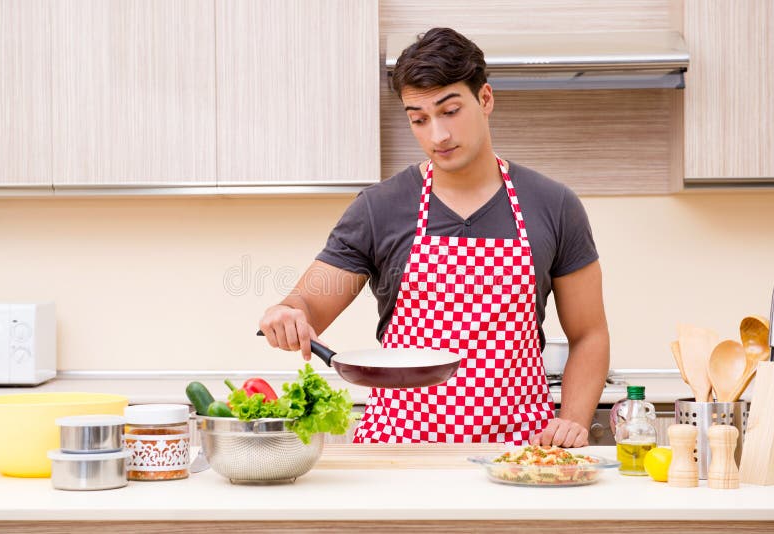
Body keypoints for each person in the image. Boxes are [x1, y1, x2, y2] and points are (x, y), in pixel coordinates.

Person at [259, 27, 609, 446]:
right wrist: (288, 313)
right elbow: (308, 305)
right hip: (399, 452)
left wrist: (572, 420)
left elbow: (589, 334)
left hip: (519, 454)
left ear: (485, 99)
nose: (437, 135)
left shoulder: (553, 205)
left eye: (450, 110)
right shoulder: (378, 208)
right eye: (419, 119)